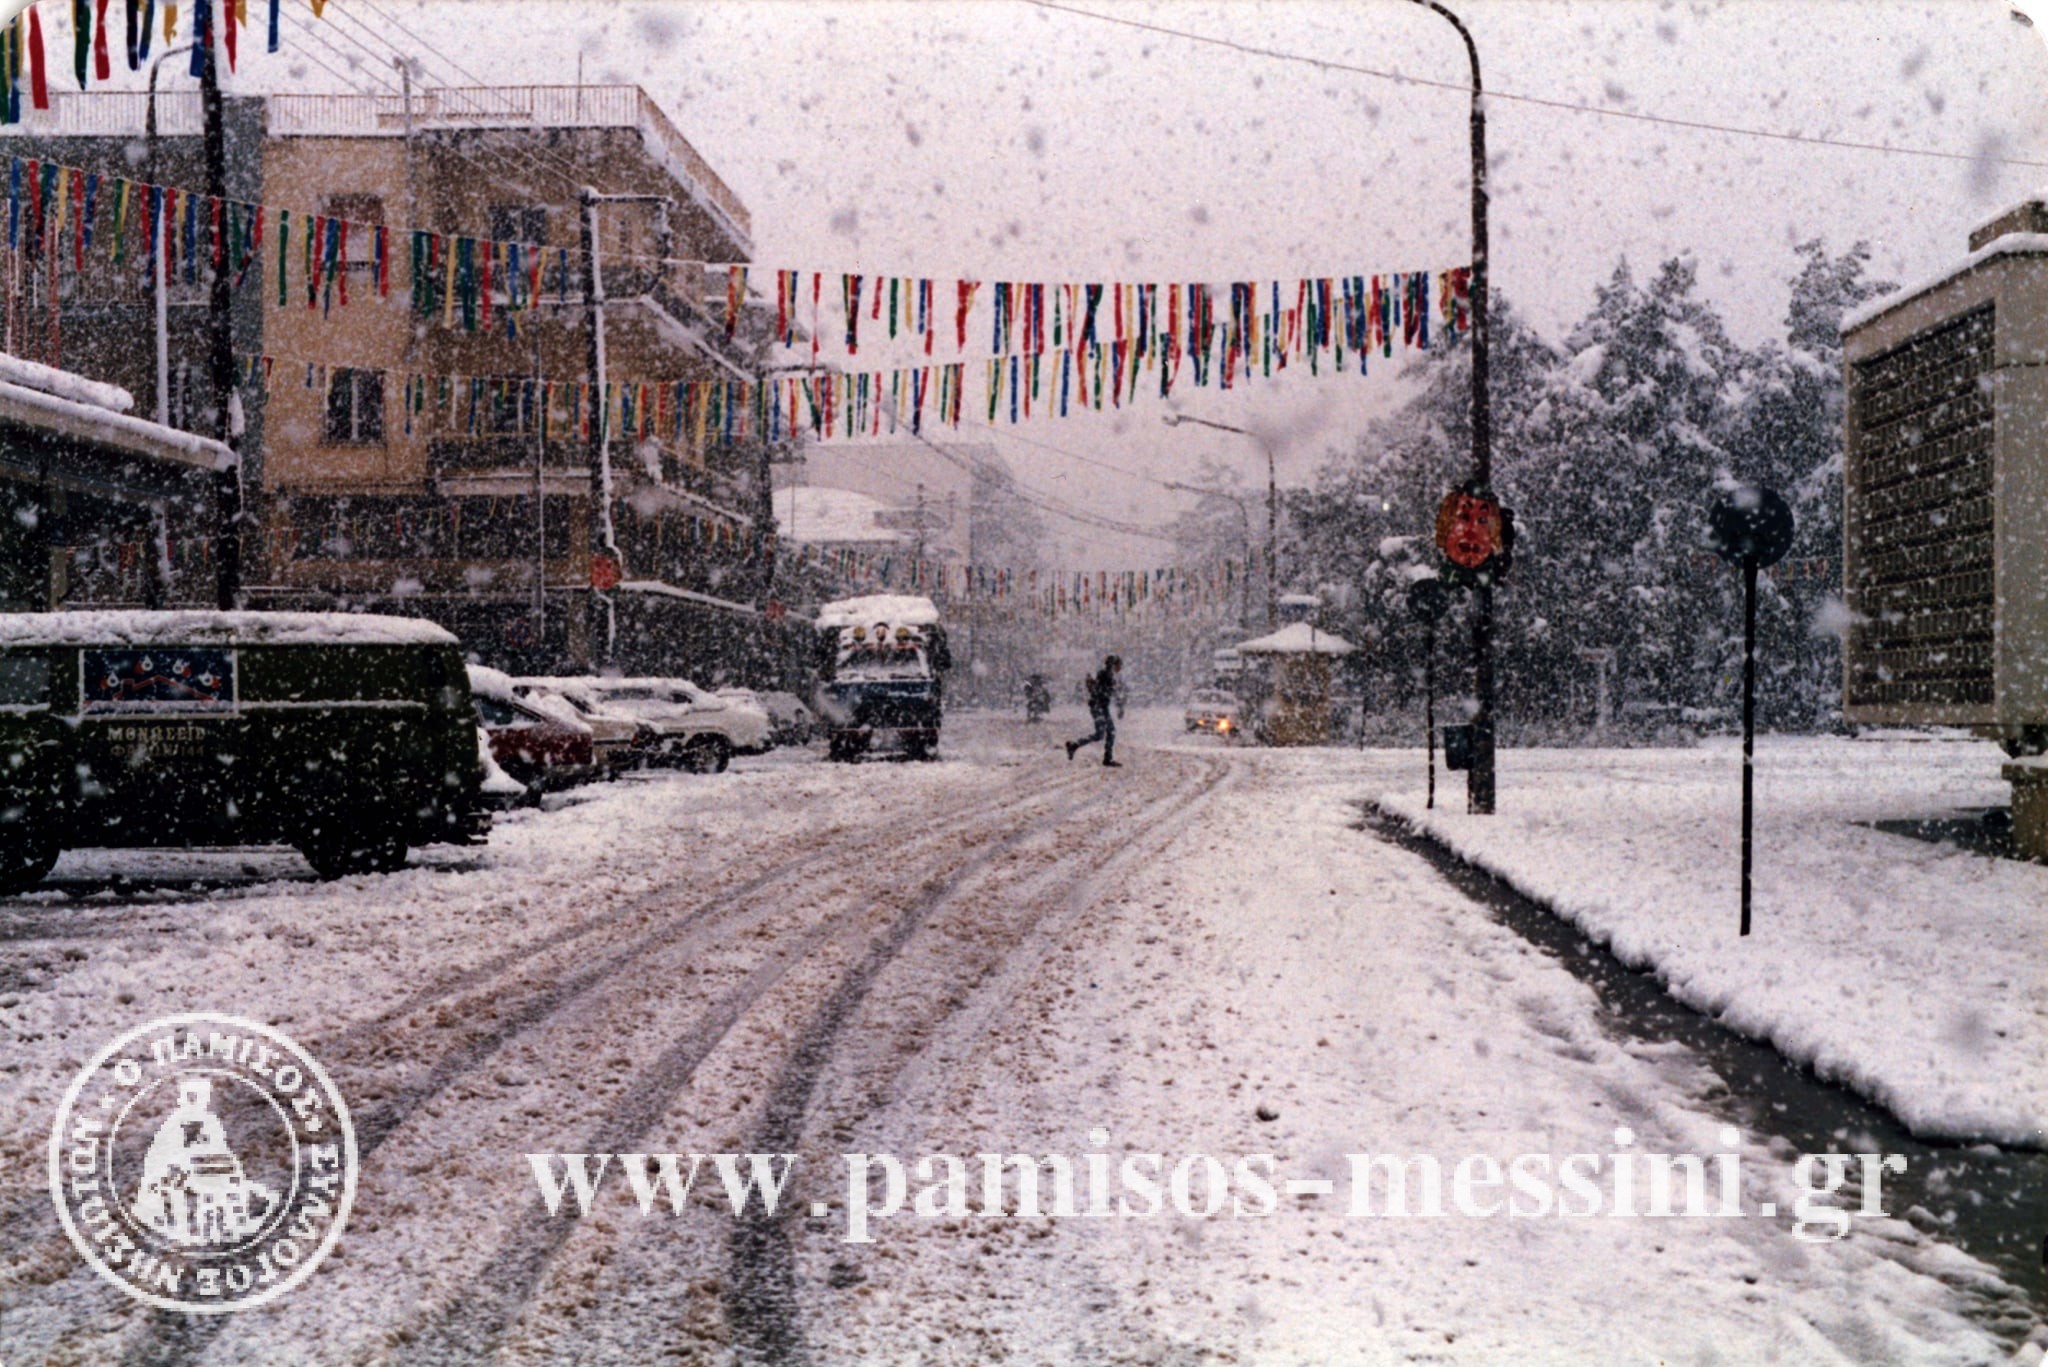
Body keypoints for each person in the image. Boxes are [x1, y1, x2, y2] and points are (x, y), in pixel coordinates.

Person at [1066, 655, 1123, 767]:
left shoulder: (1106, 674)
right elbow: (1101, 691)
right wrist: (1111, 688)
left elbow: (1099, 689)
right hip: (1099, 707)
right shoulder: (1106, 675)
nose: (1120, 668)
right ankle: (1074, 745)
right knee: (1102, 734)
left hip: (1100, 707)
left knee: (1108, 732)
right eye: (1119, 665)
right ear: (1113, 664)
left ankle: (1107, 758)